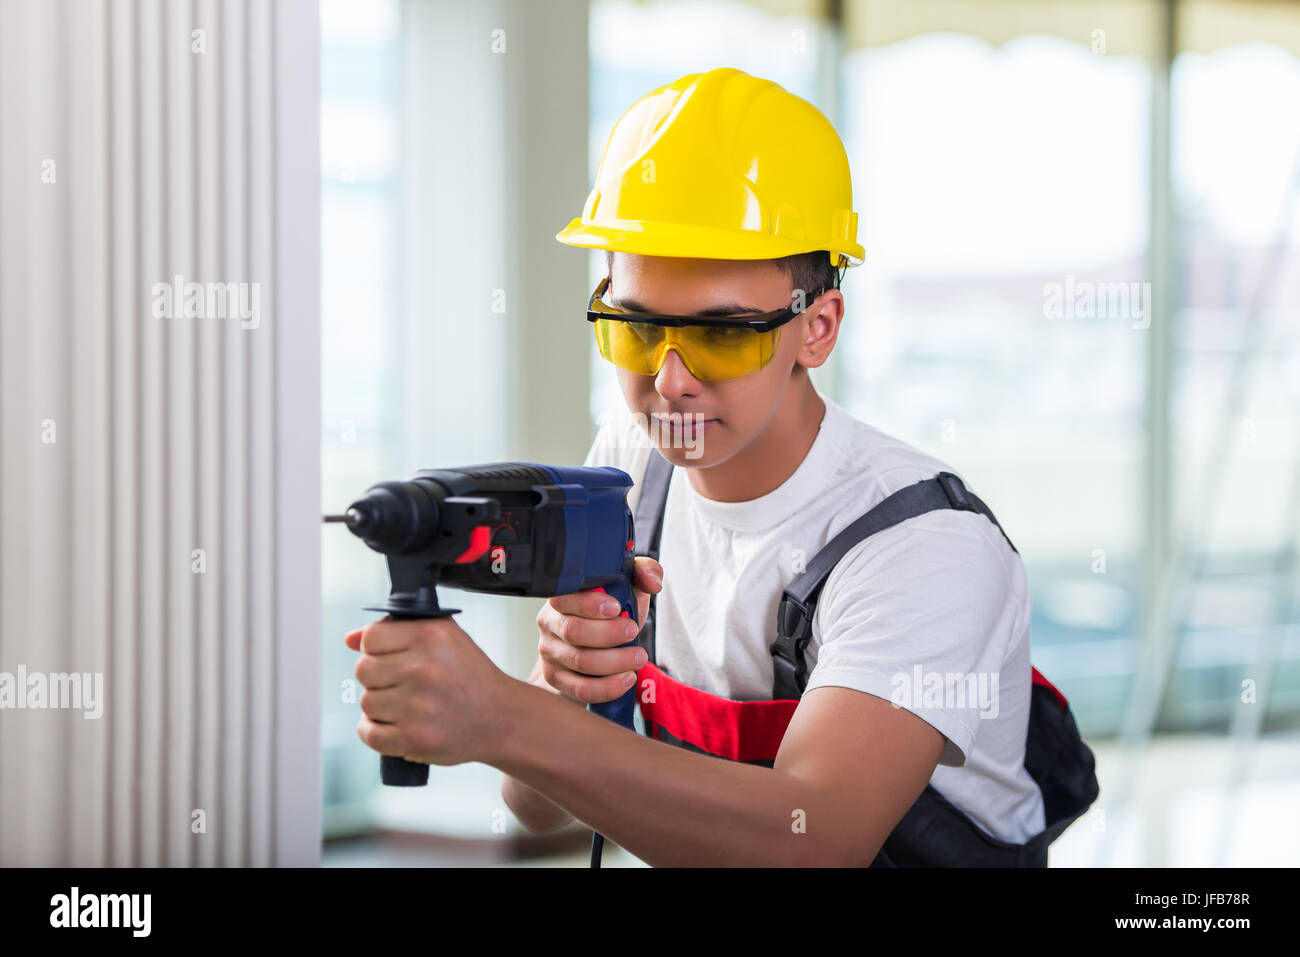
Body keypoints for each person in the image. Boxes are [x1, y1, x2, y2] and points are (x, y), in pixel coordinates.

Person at [348, 67, 1049, 866]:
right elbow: (536, 810)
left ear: (816, 328)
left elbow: (815, 840)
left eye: (720, 333)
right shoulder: (633, 466)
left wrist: (504, 715)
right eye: (637, 327)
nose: (670, 378)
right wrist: (560, 686)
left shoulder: (923, 544)